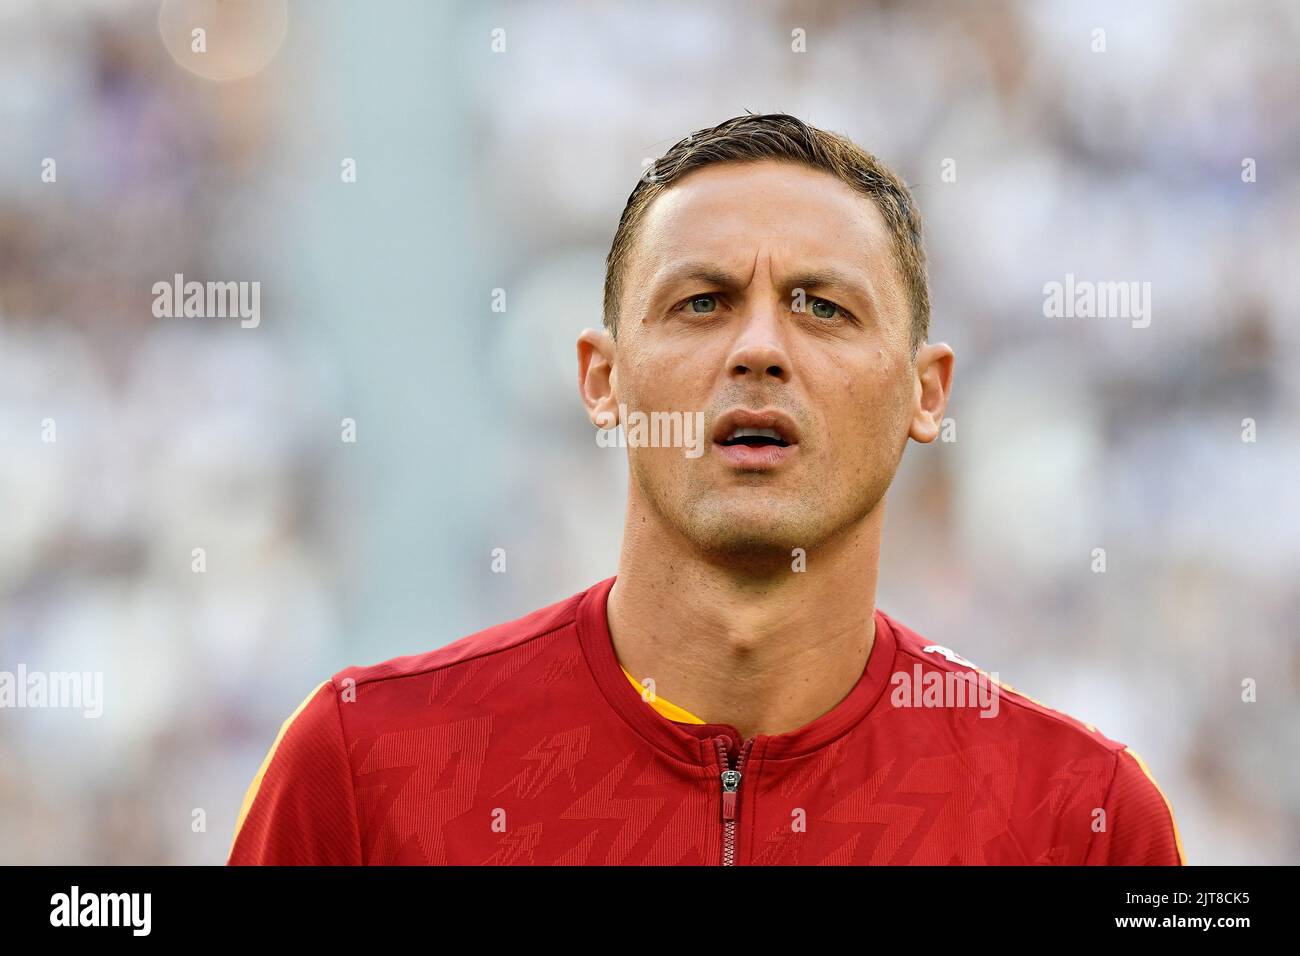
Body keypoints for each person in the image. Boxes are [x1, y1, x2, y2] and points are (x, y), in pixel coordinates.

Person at [228, 113, 1183, 865]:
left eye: (825, 307)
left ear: (924, 393)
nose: (761, 349)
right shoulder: (367, 770)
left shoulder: (1079, 822)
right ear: (602, 379)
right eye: (702, 303)